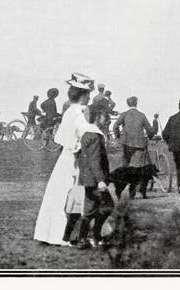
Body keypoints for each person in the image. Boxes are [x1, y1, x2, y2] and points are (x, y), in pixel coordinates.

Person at [34, 73, 98, 245]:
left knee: (58, 194)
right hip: (76, 159)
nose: (89, 96)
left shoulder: (69, 110)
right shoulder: (81, 112)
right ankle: (73, 235)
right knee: (76, 196)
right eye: (88, 94)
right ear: (83, 94)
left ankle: (51, 233)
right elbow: (85, 138)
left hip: (64, 158)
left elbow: (61, 138)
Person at [64, 106, 112, 248]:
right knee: (106, 206)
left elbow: (81, 156)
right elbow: (94, 160)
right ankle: (89, 237)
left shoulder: (87, 133)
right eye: (104, 117)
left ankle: (86, 238)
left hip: (88, 178)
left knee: (92, 208)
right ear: (97, 118)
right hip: (94, 180)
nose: (106, 120)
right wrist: (101, 180)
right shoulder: (95, 136)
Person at [113, 96, 153, 167]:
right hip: (139, 143)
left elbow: (115, 126)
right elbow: (149, 130)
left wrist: (118, 136)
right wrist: (150, 136)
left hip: (126, 142)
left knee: (125, 164)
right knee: (138, 165)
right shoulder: (141, 115)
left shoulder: (124, 114)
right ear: (136, 103)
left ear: (128, 104)